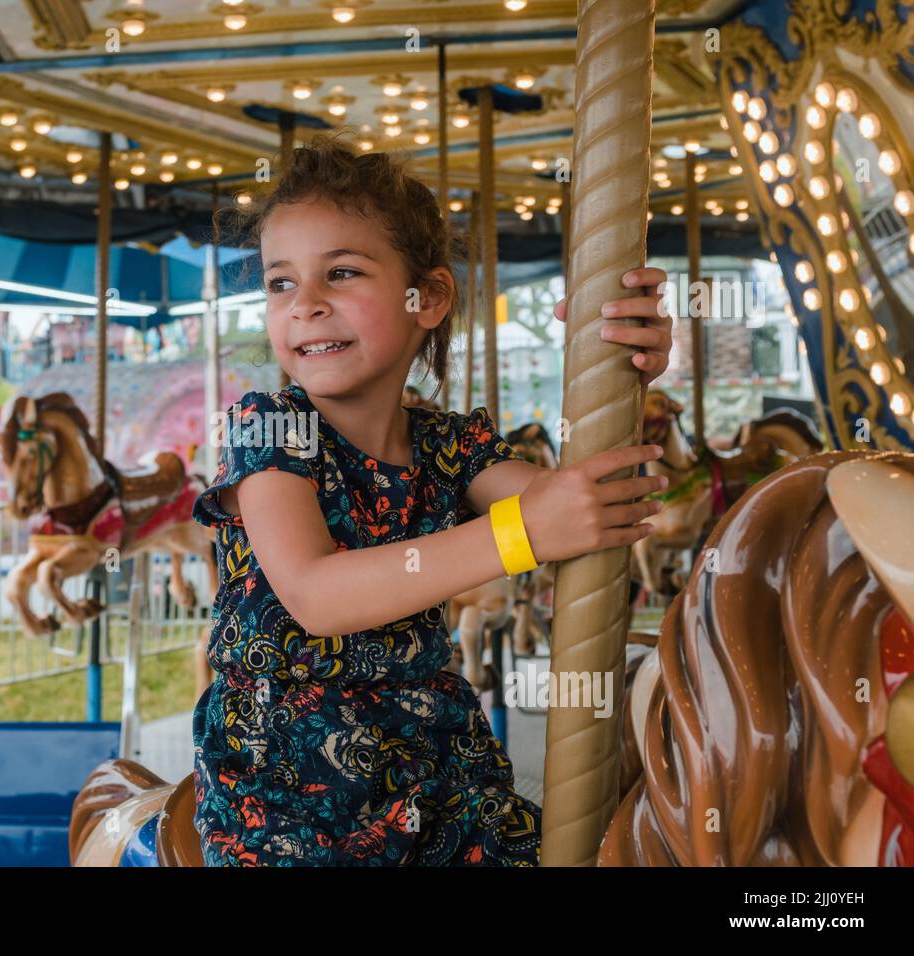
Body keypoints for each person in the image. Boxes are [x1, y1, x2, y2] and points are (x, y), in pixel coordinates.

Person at [190, 134, 673, 867]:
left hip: (439, 778)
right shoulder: (272, 429)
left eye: (341, 273)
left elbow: (581, 504)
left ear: (430, 298)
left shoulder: (449, 445)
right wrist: (518, 536)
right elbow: (316, 594)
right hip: (292, 798)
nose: (306, 306)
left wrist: (611, 361)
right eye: (280, 283)